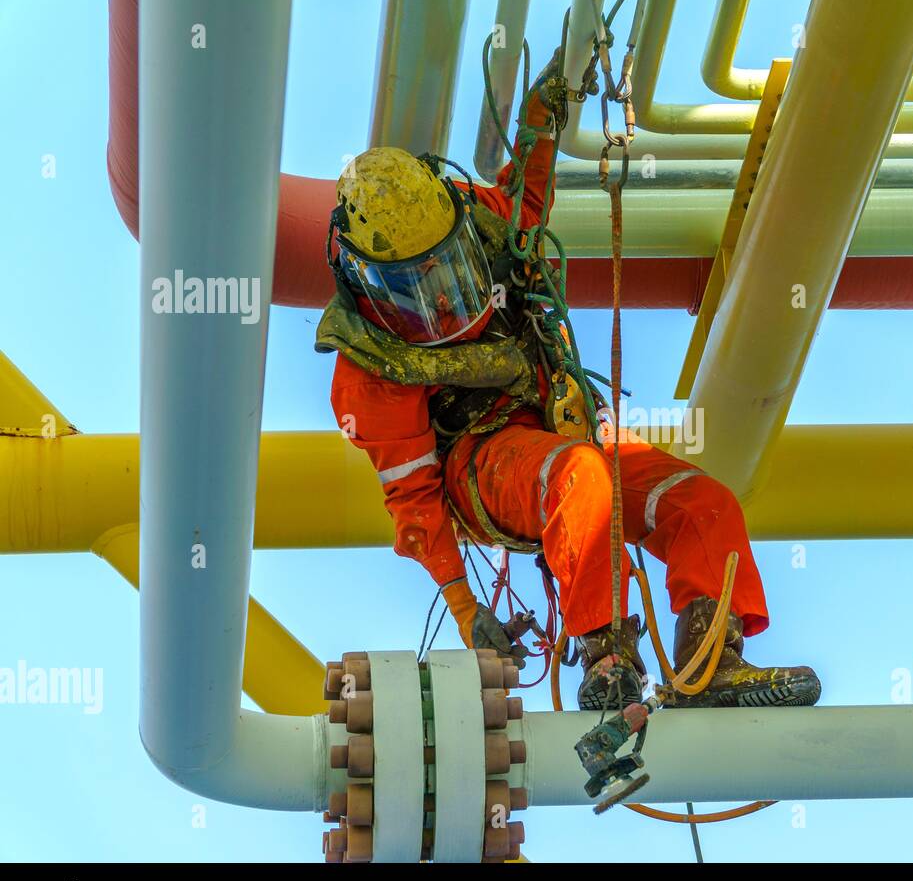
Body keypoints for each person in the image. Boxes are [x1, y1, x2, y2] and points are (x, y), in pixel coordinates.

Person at [315, 52, 820, 711]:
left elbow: (524, 199)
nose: (441, 303)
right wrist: (466, 610)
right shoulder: (370, 367)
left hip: (556, 433)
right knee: (580, 476)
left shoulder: (482, 219)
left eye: (448, 274)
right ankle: (606, 663)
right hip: (484, 462)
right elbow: (413, 498)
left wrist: (541, 119)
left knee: (704, 503)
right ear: (369, 286)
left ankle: (710, 665)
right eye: (417, 289)